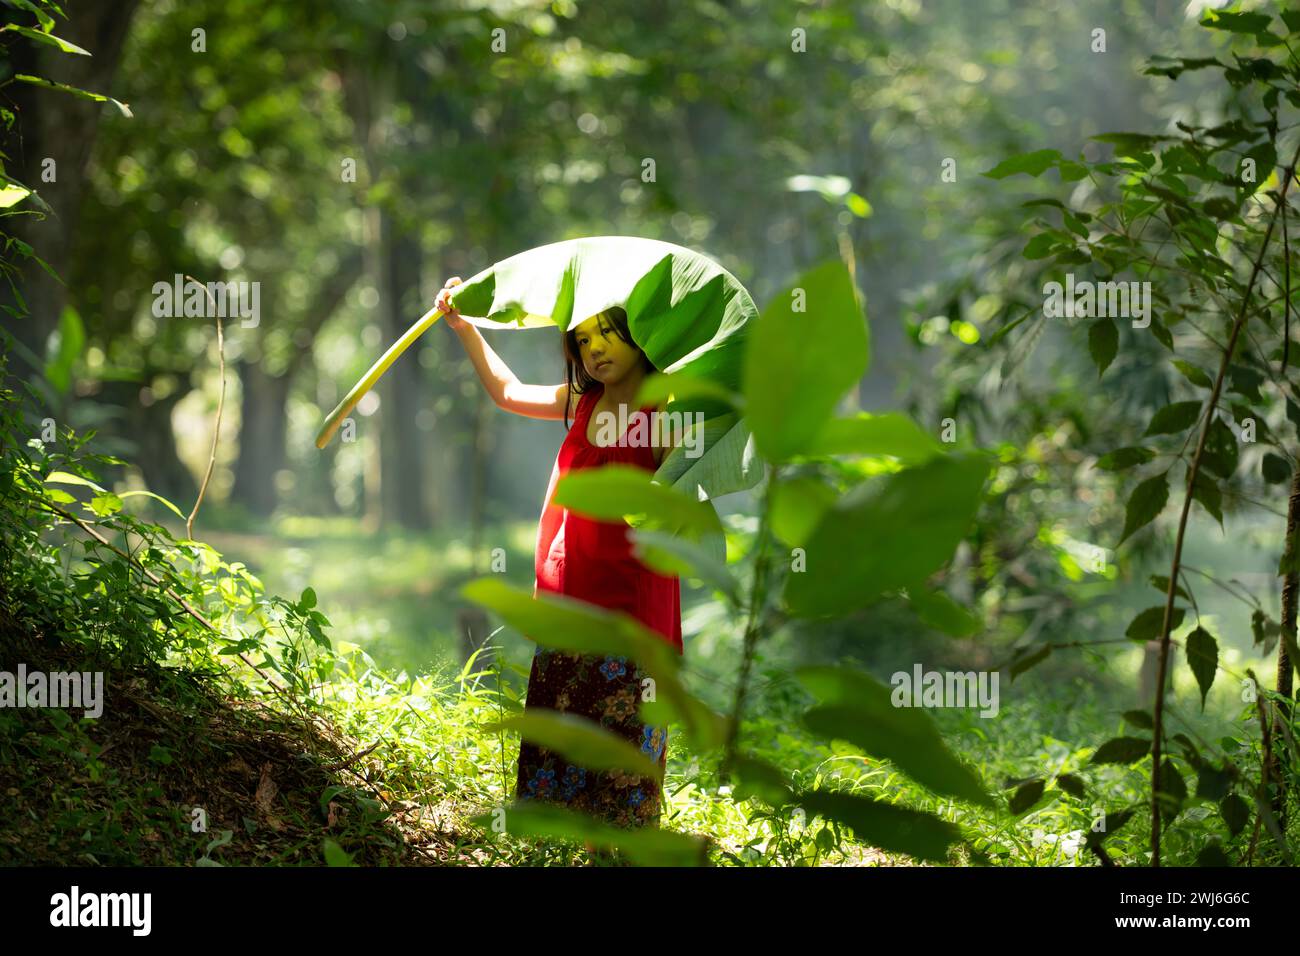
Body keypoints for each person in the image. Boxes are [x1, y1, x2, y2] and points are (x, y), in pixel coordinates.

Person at [435, 276, 683, 865]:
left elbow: (683, 495)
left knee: (623, 762)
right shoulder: (582, 401)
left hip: (633, 606)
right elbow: (507, 390)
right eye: (582, 339)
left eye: (609, 334)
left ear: (638, 337)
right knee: (568, 747)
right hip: (571, 595)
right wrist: (465, 326)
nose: (595, 349)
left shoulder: (666, 407)